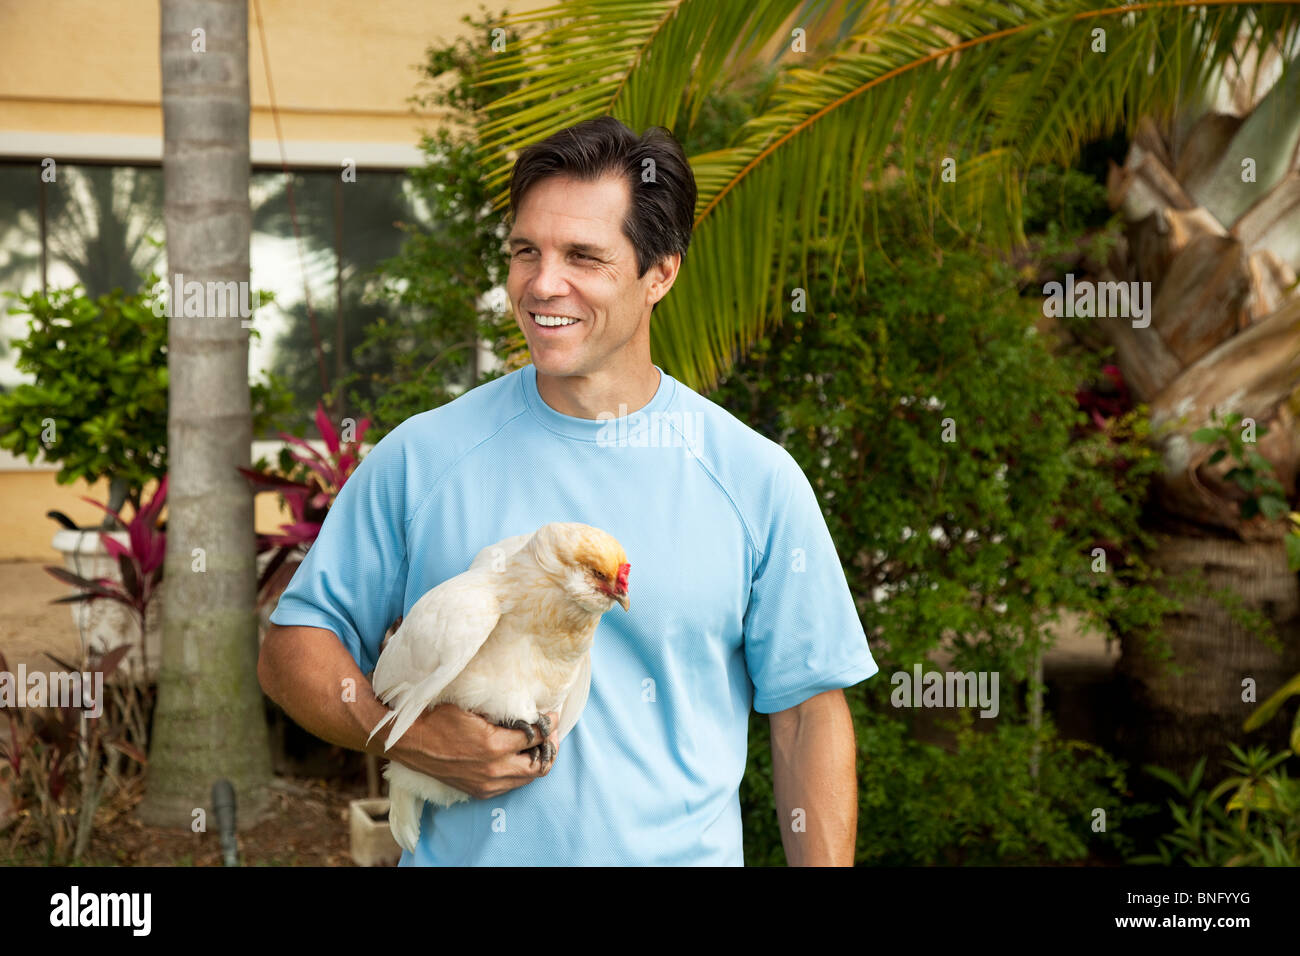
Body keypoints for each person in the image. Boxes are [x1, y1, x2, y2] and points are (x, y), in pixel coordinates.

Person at [258, 115, 878, 865]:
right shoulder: (421, 459)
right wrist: (411, 735)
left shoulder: (754, 479)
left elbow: (808, 714)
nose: (543, 283)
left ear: (661, 273)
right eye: (527, 251)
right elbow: (294, 649)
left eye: (583, 255)